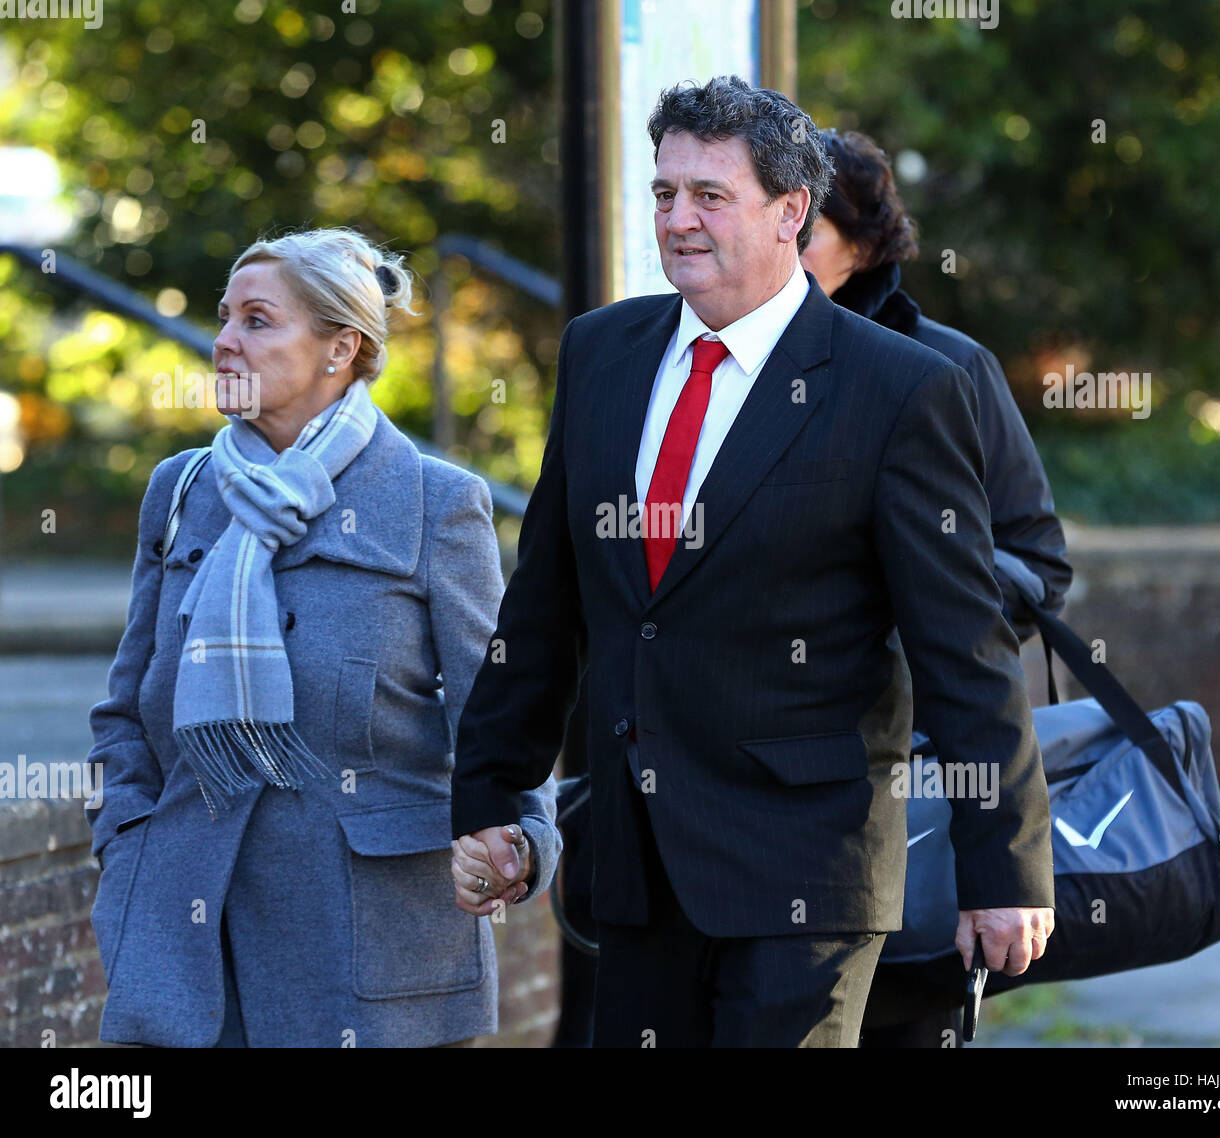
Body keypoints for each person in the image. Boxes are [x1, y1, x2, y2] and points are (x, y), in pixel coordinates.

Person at [450, 76, 1055, 1048]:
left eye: (708, 195)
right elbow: (546, 601)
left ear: (790, 211)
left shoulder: (897, 388)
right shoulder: (600, 353)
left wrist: (1005, 873)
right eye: (663, 193)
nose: (678, 219)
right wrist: (488, 792)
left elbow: (964, 647)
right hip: (636, 863)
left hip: (805, 872)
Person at [86, 227, 559, 1047]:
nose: (225, 341)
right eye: (224, 316)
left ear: (341, 348)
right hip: (188, 937)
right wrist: (126, 836)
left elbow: (501, 714)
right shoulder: (181, 491)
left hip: (376, 958)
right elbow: (127, 707)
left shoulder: (434, 502)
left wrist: (519, 840)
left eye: (258, 320)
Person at [799, 129, 1073, 1047]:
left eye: (808, 228)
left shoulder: (950, 368)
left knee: (904, 1015)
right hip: (756, 790)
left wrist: (925, 597)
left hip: (917, 763)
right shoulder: (711, 367)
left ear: (865, 244)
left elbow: (1039, 558)